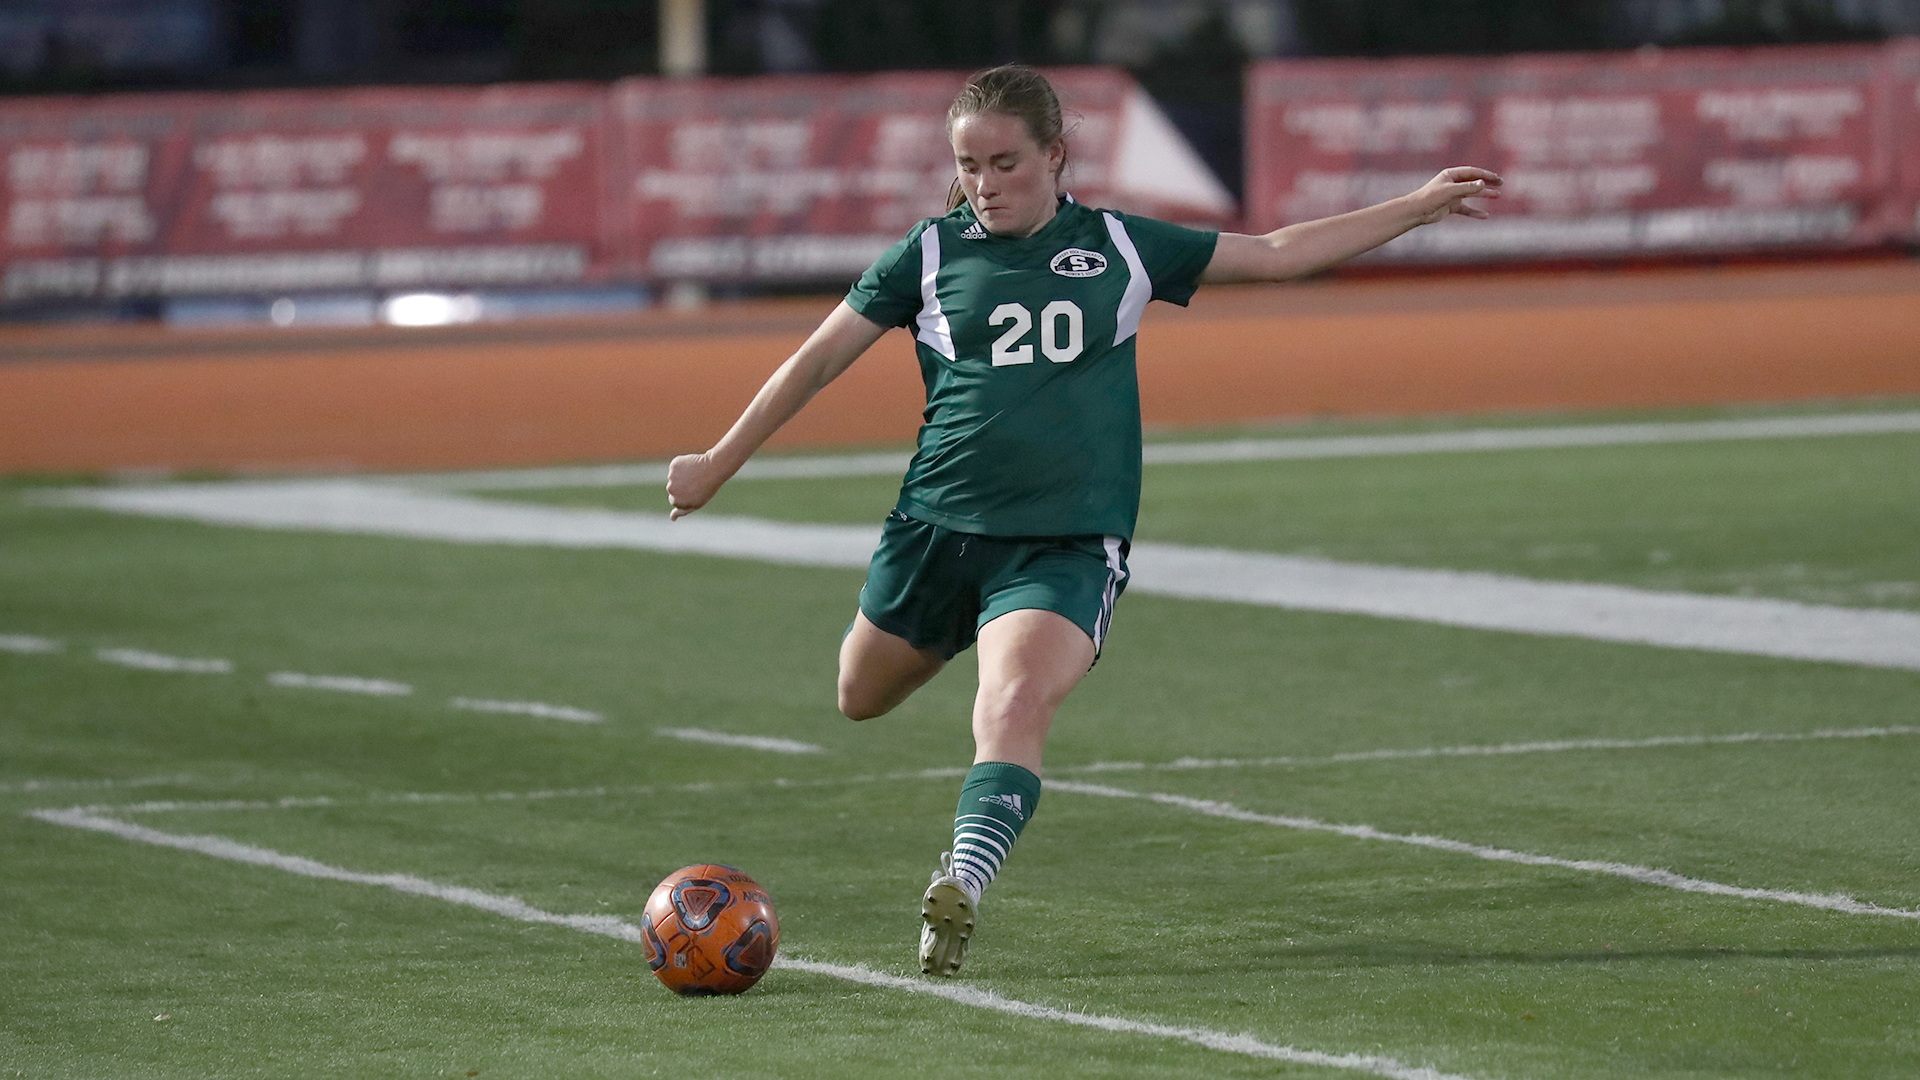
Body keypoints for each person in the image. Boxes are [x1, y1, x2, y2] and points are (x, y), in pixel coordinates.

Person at [666, 64, 1500, 977]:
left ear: (1056, 155)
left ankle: (965, 881)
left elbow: (1278, 250)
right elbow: (816, 361)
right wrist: (718, 461)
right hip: (934, 533)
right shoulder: (930, 253)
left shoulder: (1121, 247)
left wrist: (1413, 207)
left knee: (1014, 702)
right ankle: (968, 645)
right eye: (969, 165)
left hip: (1063, 543)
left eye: (1005, 162)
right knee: (858, 696)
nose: (985, 184)